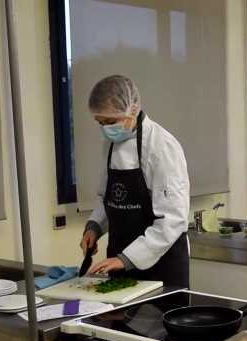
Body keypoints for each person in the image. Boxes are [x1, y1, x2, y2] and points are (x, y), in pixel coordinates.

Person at [80, 75, 191, 287]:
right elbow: (108, 198)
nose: (105, 129)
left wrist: (126, 259)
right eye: (100, 122)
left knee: (156, 318)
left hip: (161, 265)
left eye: (111, 122)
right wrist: (94, 227)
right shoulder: (111, 144)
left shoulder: (161, 146)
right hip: (118, 261)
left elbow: (172, 219)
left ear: (133, 109)